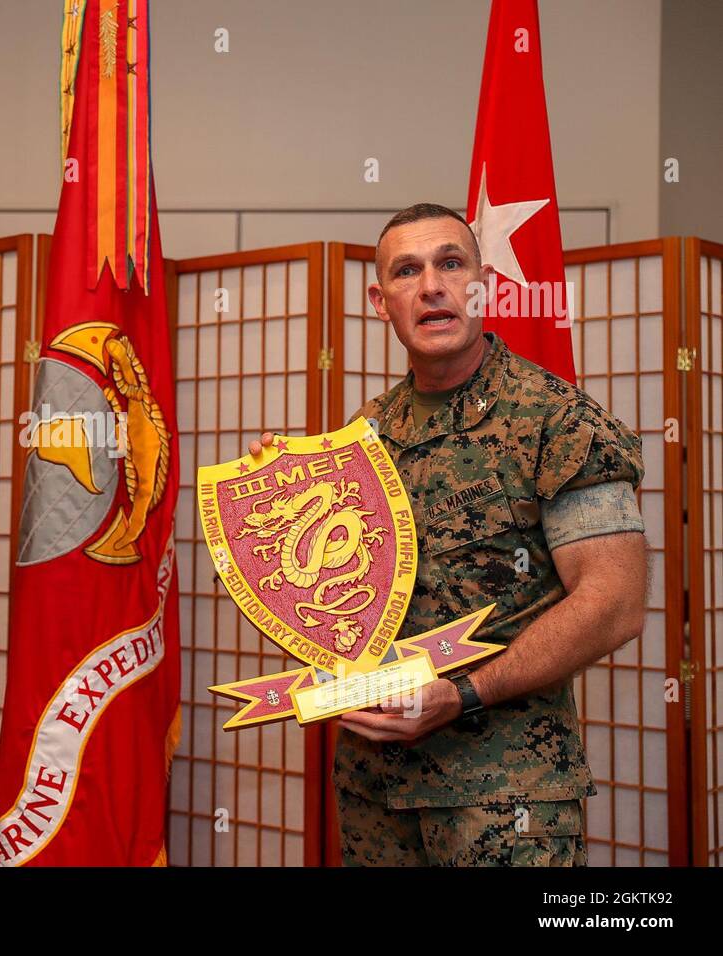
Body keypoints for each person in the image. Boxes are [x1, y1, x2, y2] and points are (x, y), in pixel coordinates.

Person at [249, 202, 647, 865]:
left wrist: (462, 694)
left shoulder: (559, 422)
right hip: (374, 786)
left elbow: (616, 604)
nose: (431, 285)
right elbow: (328, 599)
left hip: (504, 796)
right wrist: (271, 503)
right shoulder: (364, 433)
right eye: (407, 271)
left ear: (480, 285)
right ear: (381, 301)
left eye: (450, 263)